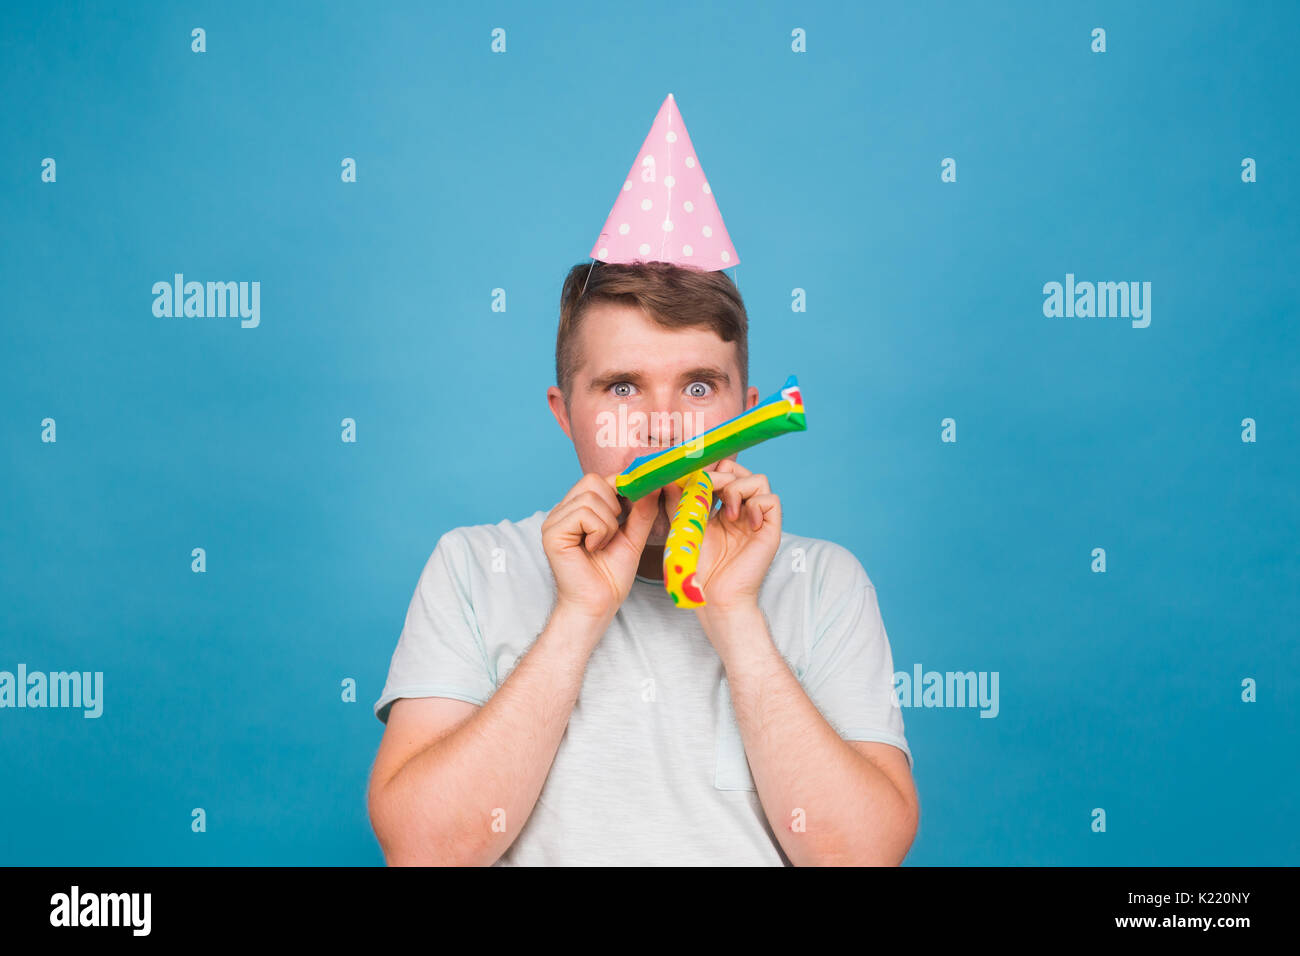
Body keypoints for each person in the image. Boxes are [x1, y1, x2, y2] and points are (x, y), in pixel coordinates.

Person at [366, 259, 918, 865]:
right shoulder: (473, 567)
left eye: (700, 387)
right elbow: (424, 850)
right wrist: (578, 614)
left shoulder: (824, 583)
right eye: (622, 388)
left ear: (747, 409)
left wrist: (735, 616)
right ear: (564, 412)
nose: (666, 427)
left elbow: (863, 855)